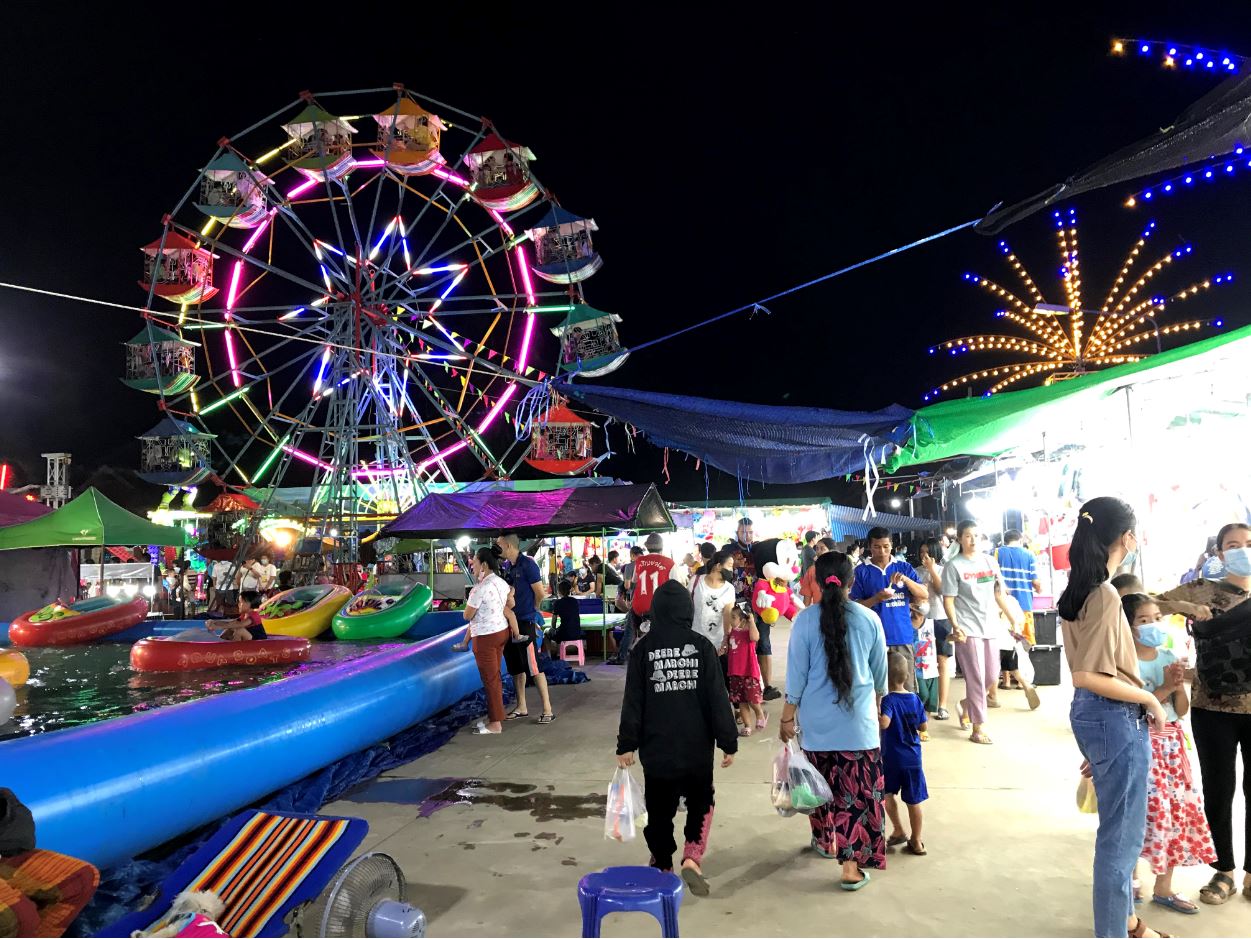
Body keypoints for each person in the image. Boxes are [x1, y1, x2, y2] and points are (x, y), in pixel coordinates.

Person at [1058, 497, 1168, 939]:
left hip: (1098, 719)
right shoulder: (1103, 594)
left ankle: (1125, 925)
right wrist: (1150, 699)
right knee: (1120, 844)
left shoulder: (1079, 588)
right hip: (1113, 715)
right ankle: (1114, 932)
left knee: (1119, 838)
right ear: (1125, 538)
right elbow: (1088, 674)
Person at [616, 581, 738, 897]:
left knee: (659, 808)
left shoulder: (641, 649)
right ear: (688, 609)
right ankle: (692, 858)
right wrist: (728, 740)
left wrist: (626, 744)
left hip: (657, 750)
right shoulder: (702, 647)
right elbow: (717, 698)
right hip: (696, 748)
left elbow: (634, 701)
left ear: (655, 611)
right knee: (701, 801)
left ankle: (662, 863)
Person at [1152, 522, 1251, 906]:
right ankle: (1223, 870)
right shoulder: (1201, 589)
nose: (1242, 549)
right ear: (1221, 553)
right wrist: (1184, 606)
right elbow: (1143, 605)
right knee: (1218, 788)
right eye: (1232, 545)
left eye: (1248, 543)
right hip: (1212, 707)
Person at [780, 551, 888, 891]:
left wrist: (786, 719)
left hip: (816, 729)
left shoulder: (804, 621)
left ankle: (827, 842)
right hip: (859, 729)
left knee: (821, 791)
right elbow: (880, 676)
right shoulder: (869, 619)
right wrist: (879, 708)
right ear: (851, 582)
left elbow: (795, 677)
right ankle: (851, 868)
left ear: (815, 581)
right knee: (856, 798)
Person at [1121, 592, 1217, 916]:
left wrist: (1178, 687)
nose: (1152, 625)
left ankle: (1163, 887)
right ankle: (1131, 880)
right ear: (1128, 626)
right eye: (1143, 620)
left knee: (1174, 814)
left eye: (1156, 618)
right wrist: (1162, 687)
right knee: (1138, 813)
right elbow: (1134, 710)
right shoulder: (1125, 663)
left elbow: (1180, 710)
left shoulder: (1168, 656)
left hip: (1173, 747)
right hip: (1141, 744)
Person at [941, 520, 1022, 745]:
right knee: (976, 677)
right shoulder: (953, 566)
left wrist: (1013, 619)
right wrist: (955, 625)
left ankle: (966, 705)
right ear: (959, 539)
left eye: (977, 535)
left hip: (990, 626)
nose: (973, 540)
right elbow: (948, 600)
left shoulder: (990, 562)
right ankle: (978, 727)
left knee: (990, 675)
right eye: (968, 536)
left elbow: (999, 594)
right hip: (967, 629)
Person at [851, 527, 927, 692]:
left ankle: (905, 717)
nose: (882, 551)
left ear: (891, 545)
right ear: (870, 547)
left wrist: (906, 580)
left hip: (902, 636)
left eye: (886, 546)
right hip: (872, 639)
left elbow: (924, 593)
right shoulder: (861, 571)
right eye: (877, 547)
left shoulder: (904, 567)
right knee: (877, 689)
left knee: (906, 687)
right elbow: (854, 607)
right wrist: (876, 599)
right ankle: (881, 718)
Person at [452, 547, 515, 736]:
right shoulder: (502, 583)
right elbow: (510, 604)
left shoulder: (479, 589)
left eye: (474, 562)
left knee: (490, 680)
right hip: (500, 632)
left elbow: (466, 615)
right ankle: (494, 717)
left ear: (484, 565)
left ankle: (495, 724)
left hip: (485, 637)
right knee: (495, 677)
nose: (472, 565)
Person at [496, 534, 555, 725]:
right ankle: (522, 706)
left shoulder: (528, 565)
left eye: (499, 545)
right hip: (510, 622)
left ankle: (547, 709)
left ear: (507, 545)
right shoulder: (508, 567)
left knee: (534, 665)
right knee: (515, 666)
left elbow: (540, 593)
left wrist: (534, 610)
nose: (497, 548)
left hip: (526, 621)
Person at [879, 652, 929, 856]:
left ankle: (898, 829)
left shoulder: (888, 701)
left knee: (887, 794)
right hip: (913, 759)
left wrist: (875, 711)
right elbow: (923, 726)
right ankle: (916, 841)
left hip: (891, 759)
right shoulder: (915, 699)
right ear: (907, 677)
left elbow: (885, 723)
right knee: (913, 801)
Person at [919, 538, 952, 721]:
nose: (924, 555)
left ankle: (943, 705)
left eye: (928, 552)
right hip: (922, 620)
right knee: (923, 663)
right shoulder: (915, 572)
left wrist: (932, 569)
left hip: (941, 619)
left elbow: (942, 591)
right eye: (922, 552)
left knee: (942, 662)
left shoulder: (943, 570)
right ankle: (924, 704)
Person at [725, 603, 766, 735]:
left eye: (733, 617)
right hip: (734, 672)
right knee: (740, 701)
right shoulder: (731, 633)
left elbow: (756, 637)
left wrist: (752, 621)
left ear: (742, 619)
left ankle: (760, 714)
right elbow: (727, 646)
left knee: (752, 699)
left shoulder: (749, 633)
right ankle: (747, 725)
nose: (731, 620)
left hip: (749, 672)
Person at [691, 551, 735, 651]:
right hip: (695, 639)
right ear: (718, 566)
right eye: (729, 566)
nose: (731, 570)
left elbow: (727, 614)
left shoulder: (729, 589)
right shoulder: (696, 581)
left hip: (717, 642)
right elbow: (687, 605)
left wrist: (726, 639)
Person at [544, 580, 582, 658]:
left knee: (546, 633)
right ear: (569, 590)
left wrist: (553, 629)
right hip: (577, 632)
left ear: (559, 591)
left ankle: (550, 656)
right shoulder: (575, 601)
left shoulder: (557, 603)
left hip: (564, 633)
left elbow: (553, 621)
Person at [800, 537, 837, 606]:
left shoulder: (840, 569)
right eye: (817, 548)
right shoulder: (811, 571)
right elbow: (806, 600)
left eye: (822, 549)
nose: (818, 552)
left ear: (831, 551)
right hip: (818, 613)